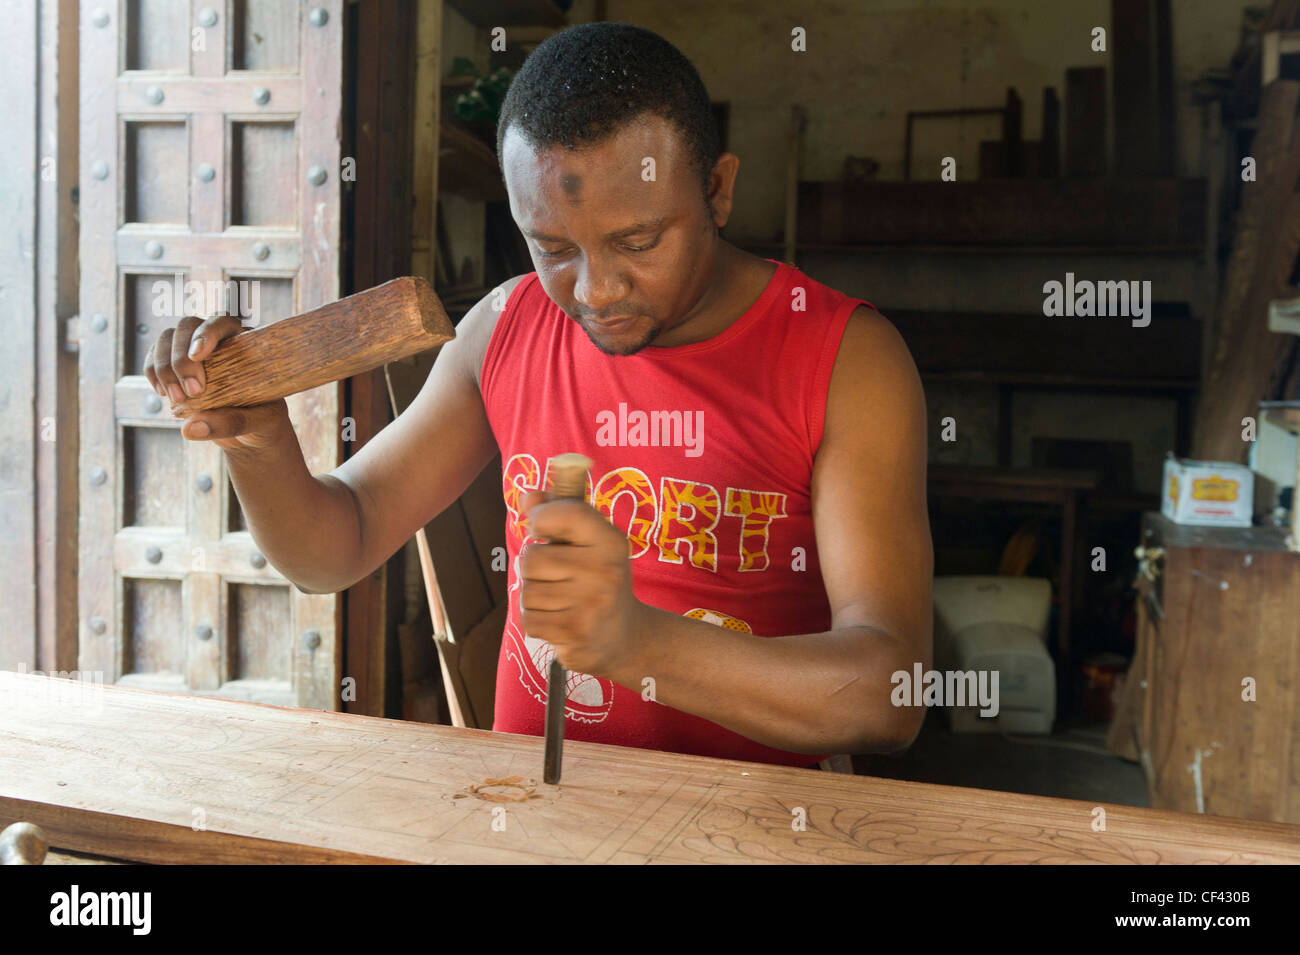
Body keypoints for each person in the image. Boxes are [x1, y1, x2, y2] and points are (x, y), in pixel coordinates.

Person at [144, 22, 933, 769]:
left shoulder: (844, 358)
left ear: (718, 191)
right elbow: (334, 543)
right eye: (552, 246)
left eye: (639, 241)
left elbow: (889, 692)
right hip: (534, 814)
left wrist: (634, 642)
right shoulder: (503, 326)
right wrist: (260, 445)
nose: (597, 289)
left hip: (750, 832)